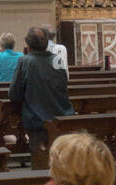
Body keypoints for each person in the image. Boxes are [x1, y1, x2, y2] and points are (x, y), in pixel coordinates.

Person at [9, 26, 74, 157]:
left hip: (37, 119)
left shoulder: (25, 61)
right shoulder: (57, 59)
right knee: (61, 156)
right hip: (62, 115)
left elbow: (14, 94)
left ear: (28, 45)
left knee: (41, 160)